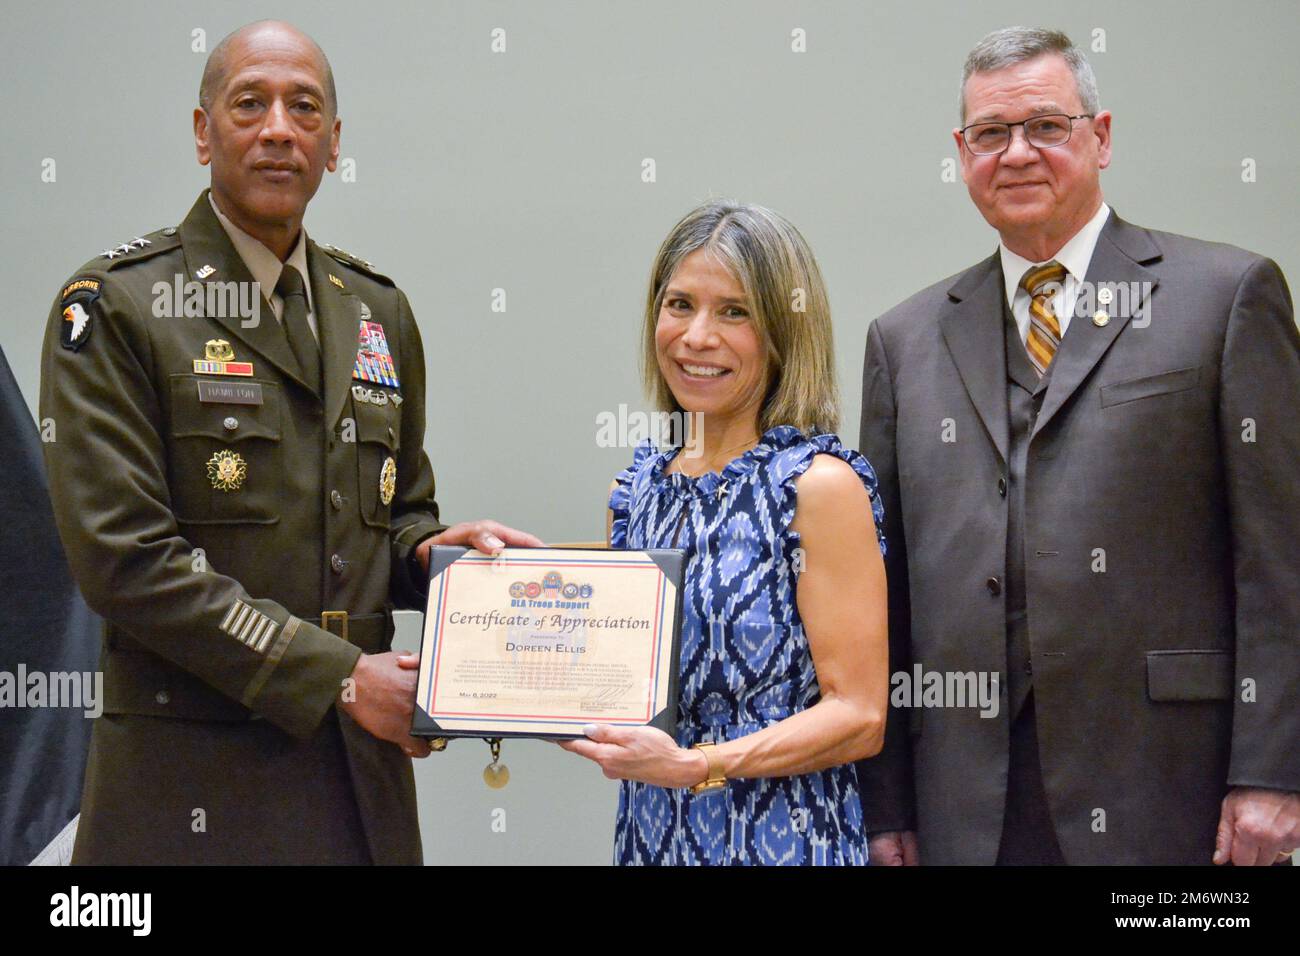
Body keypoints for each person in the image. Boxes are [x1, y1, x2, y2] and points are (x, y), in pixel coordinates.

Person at [38, 19, 540, 865]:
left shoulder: (376, 309)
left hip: (358, 791)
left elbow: (395, 513)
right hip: (190, 788)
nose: (279, 127)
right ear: (204, 132)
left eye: (303, 107)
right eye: (250, 103)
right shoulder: (118, 307)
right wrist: (341, 676)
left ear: (333, 142)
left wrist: (430, 557)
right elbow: (126, 563)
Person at [858, 26, 1300, 865]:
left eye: (1046, 126)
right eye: (991, 134)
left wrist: (1277, 772)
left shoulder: (1226, 297)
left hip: (1172, 790)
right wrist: (887, 808)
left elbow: (1281, 561)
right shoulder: (903, 341)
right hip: (967, 805)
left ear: (1100, 136)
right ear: (962, 153)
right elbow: (889, 598)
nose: (1016, 153)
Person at [559, 201, 889, 865]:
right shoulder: (636, 492)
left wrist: (700, 764)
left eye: (733, 312)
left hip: (787, 843)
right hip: (654, 838)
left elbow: (859, 716)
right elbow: (613, 682)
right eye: (679, 304)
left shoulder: (817, 488)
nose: (696, 336)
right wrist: (501, 613)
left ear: (782, 333)